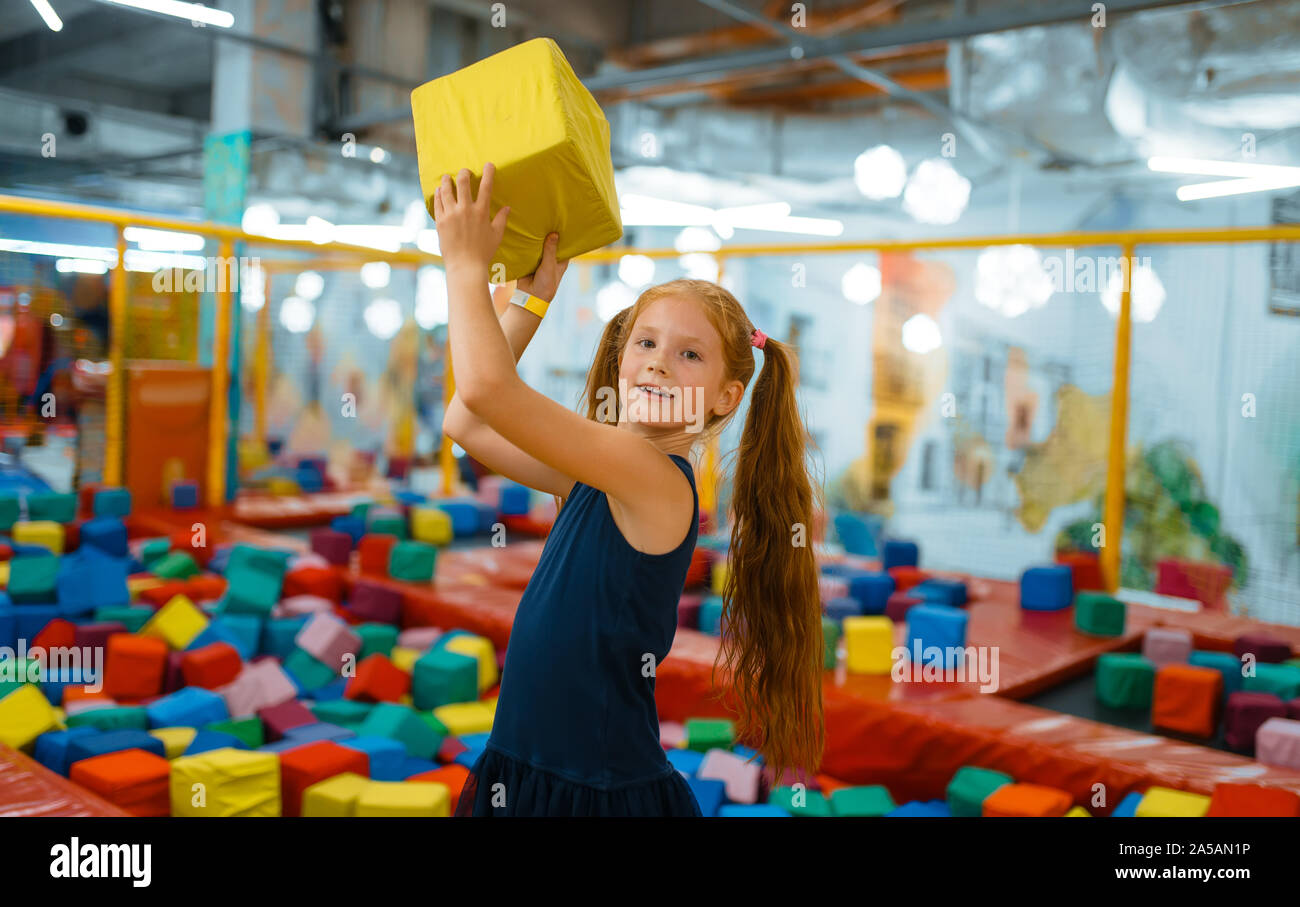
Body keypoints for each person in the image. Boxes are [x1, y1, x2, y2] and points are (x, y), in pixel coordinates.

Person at [437, 163, 824, 816]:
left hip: (594, 789)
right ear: (622, 358)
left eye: (689, 354)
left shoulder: (653, 479)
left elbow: (486, 389)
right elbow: (465, 421)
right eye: (646, 342)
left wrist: (464, 267)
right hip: (530, 765)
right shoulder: (601, 474)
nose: (658, 362)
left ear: (726, 397)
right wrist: (530, 300)